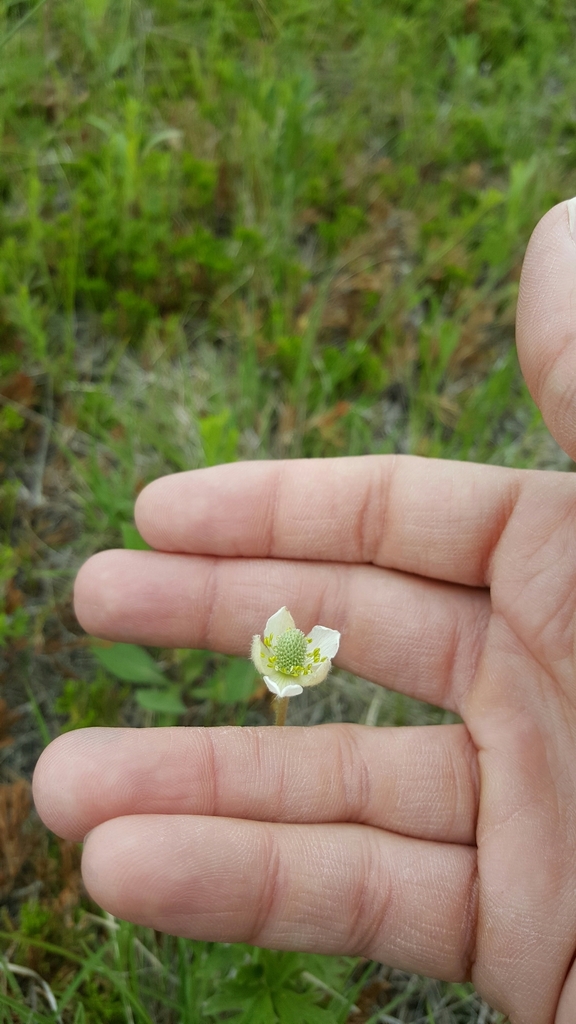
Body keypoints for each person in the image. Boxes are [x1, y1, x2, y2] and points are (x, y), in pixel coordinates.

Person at [32, 199, 576, 1023]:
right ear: (280, 654)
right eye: (288, 658)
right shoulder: (282, 651)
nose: (293, 661)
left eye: (297, 658)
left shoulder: (306, 654)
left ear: (304, 658)